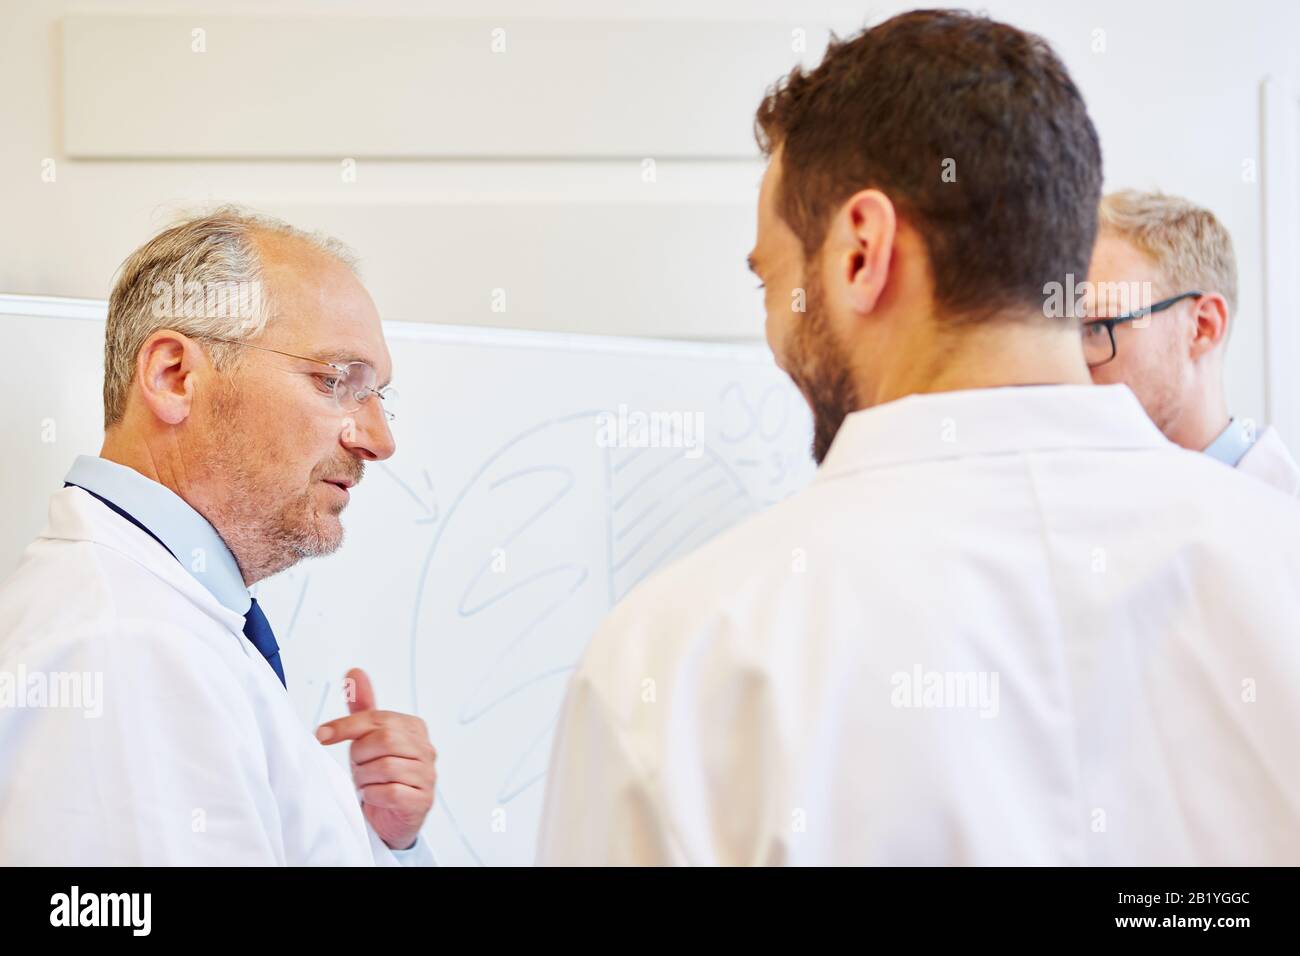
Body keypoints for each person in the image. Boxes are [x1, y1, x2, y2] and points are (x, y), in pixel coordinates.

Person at [536, 10, 1300, 865]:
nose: (773, 324)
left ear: (861, 251)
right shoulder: (1282, 563)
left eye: (772, 279)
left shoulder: (678, 663)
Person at [0, 209, 438, 865]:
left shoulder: (165, 613)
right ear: (174, 376)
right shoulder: (126, 645)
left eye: (378, 397)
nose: (379, 440)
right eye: (335, 381)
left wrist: (383, 839)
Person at [1084, 189, 1300, 495]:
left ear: (1203, 327)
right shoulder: (1098, 496)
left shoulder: (1285, 520)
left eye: (1095, 328)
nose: (1074, 365)